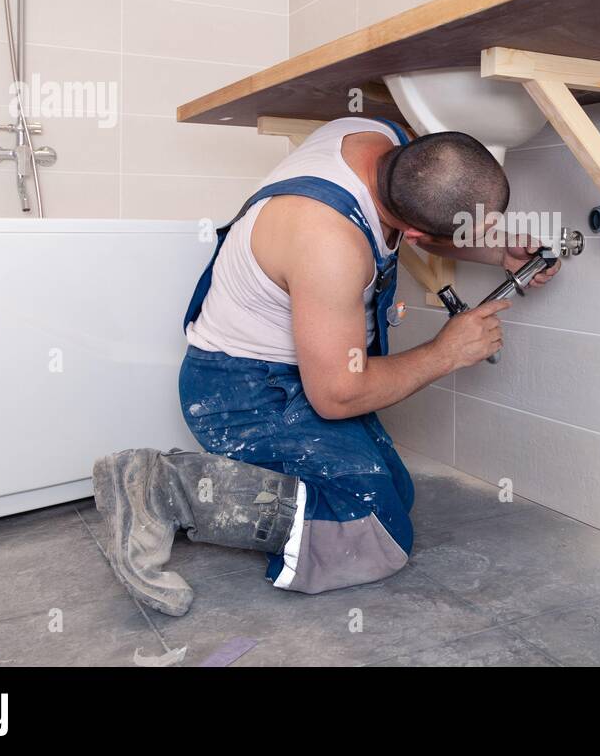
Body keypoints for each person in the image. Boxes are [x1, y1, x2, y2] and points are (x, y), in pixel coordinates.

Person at [92, 117, 557, 615]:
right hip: (245, 393)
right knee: (374, 533)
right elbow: (337, 395)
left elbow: (421, 217)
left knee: (397, 491)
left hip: (295, 372)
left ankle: (232, 484)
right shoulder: (327, 242)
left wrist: (494, 250)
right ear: (415, 232)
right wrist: (446, 352)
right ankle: (165, 487)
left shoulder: (381, 139)